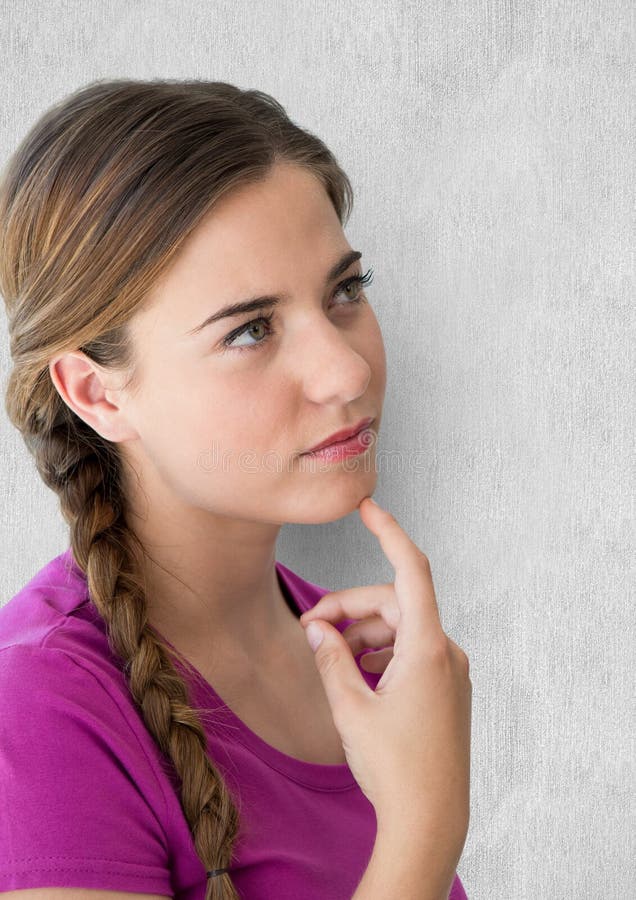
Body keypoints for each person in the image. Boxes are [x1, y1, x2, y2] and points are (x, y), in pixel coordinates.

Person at [0, 78, 471, 900]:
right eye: (250, 329)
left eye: (346, 292)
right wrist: (424, 829)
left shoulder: (360, 661)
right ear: (97, 394)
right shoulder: (39, 713)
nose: (346, 370)